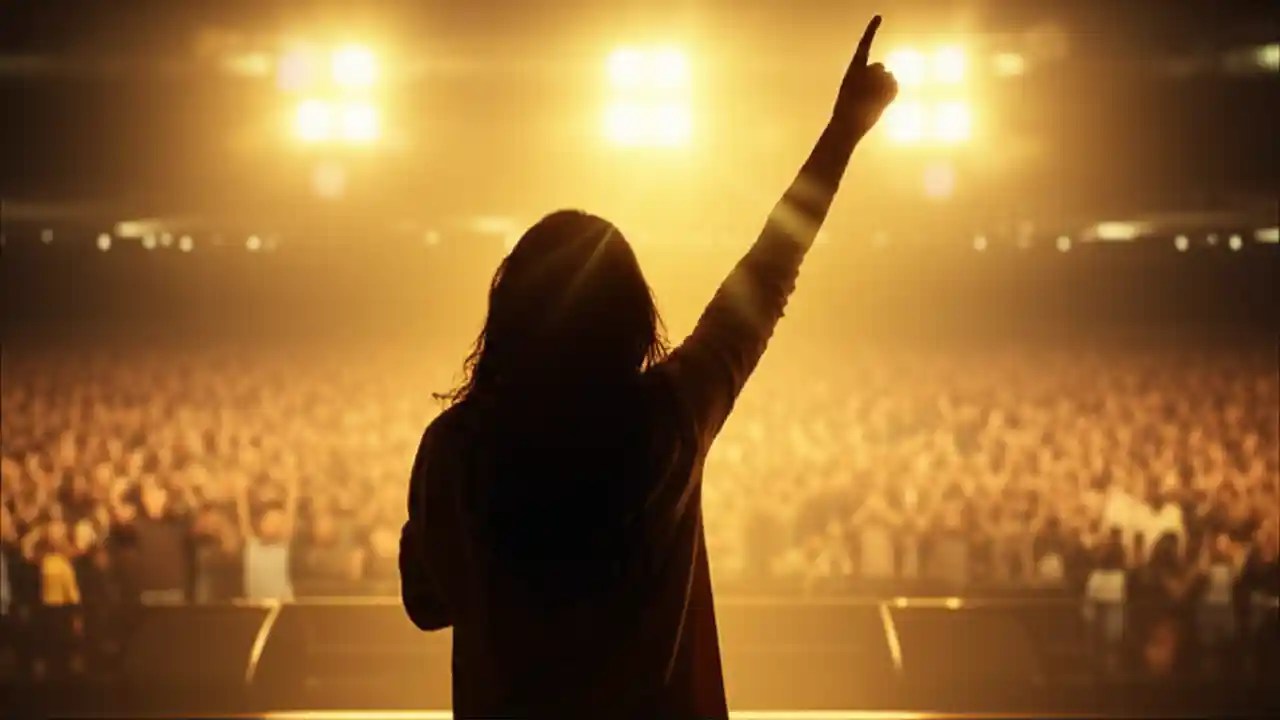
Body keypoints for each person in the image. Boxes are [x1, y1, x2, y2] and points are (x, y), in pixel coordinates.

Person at [399, 15, 897, 719]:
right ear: (633, 318)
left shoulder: (458, 446)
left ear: (509, 317)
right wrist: (843, 130)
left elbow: (426, 602)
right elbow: (768, 272)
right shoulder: (670, 420)